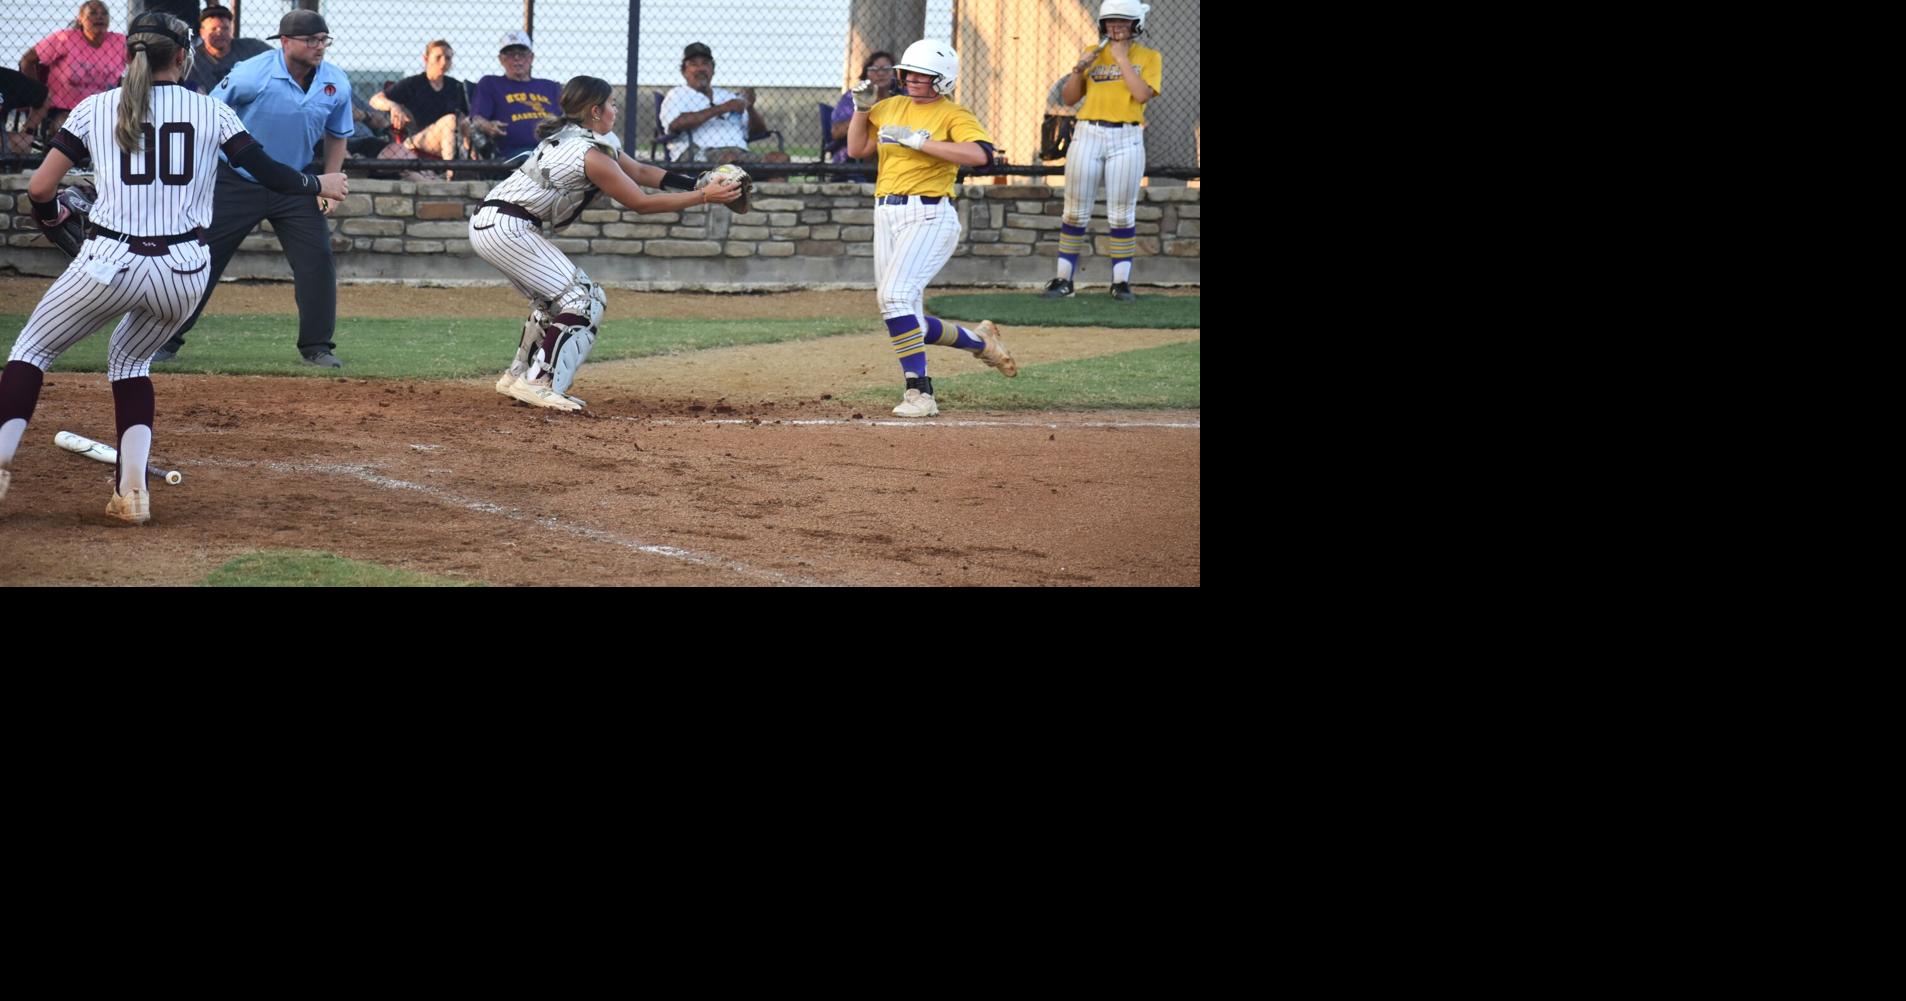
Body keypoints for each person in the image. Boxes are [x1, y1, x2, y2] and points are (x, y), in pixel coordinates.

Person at [0, 12, 346, 524]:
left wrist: (53, 222)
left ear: (130, 55)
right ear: (183, 58)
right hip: (183, 270)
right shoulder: (211, 112)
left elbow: (39, 190)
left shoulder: (96, 107)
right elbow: (269, 172)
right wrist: (320, 184)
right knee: (131, 363)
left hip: (107, 261)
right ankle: (133, 493)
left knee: (32, 350)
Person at [471, 76, 743, 412]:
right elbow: (641, 202)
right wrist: (704, 196)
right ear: (594, 110)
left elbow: (641, 171)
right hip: (508, 226)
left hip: (497, 222)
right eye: (611, 103)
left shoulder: (586, 138)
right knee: (583, 300)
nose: (615, 108)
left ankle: (518, 375)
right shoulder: (587, 153)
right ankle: (539, 381)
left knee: (554, 304)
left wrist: (698, 182)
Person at [151, 9, 355, 367]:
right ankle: (166, 341)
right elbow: (208, 113)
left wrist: (328, 185)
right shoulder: (251, 73)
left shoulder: (336, 82)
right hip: (237, 179)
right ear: (286, 42)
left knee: (317, 261)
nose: (319, 46)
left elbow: (337, 136)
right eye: (311, 40)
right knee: (201, 260)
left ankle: (317, 347)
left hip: (296, 183)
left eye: (324, 39)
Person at [846, 39, 1017, 418]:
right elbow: (857, 150)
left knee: (893, 299)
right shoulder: (889, 106)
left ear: (942, 81)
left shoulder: (953, 114)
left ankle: (920, 393)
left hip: (928, 214)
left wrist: (922, 142)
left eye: (924, 75)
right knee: (904, 313)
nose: (912, 80)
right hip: (887, 214)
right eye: (909, 73)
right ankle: (980, 341)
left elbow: (980, 155)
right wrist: (861, 110)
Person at [1043, 0, 1161, 302]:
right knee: (1074, 210)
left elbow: (1141, 94)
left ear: (1136, 24)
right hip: (1088, 132)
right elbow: (1069, 100)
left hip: (1127, 134)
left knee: (1121, 214)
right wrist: (1078, 71)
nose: (1116, 27)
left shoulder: (1149, 57)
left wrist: (1122, 60)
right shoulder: (1091, 52)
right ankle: (1063, 279)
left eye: (1122, 21)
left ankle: (1120, 283)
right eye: (1110, 22)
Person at [659, 41, 789, 164]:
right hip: (695, 153)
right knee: (730, 159)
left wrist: (750, 108)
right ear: (684, 71)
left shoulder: (727, 95)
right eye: (693, 64)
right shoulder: (677, 94)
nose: (700, 69)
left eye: (705, 63)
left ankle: (765, 187)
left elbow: (758, 132)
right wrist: (722, 108)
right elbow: (676, 124)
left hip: (739, 153)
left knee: (780, 160)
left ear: (713, 69)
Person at [17, 1, 126, 138]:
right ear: (80, 18)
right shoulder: (65, 38)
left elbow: (140, 65)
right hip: (64, 109)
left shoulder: (120, 42)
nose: (100, 17)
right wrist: (37, 93)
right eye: (93, 13)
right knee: (67, 128)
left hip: (105, 110)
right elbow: (27, 60)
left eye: (104, 13)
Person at [371, 39, 471, 164]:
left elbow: (469, 115)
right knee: (450, 121)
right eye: (438, 57)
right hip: (417, 140)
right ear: (426, 58)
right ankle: (451, 172)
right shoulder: (413, 84)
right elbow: (375, 100)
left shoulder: (456, 87)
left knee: (469, 124)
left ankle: (478, 170)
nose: (443, 62)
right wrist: (394, 106)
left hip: (452, 139)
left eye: (448, 58)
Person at [470, 31, 559, 161]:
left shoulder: (550, 87)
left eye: (522, 54)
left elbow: (566, 119)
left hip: (553, 150)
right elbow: (476, 118)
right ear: (501, 59)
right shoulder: (491, 83)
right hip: (515, 153)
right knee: (529, 158)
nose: (517, 58)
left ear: (531, 58)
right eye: (511, 54)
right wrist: (488, 126)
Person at [830, 50, 893, 172]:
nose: (880, 73)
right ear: (866, 74)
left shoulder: (902, 97)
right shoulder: (853, 96)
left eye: (886, 69)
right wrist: (863, 110)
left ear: (894, 73)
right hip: (854, 155)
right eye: (874, 69)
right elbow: (836, 132)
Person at [185, 5, 268, 94]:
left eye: (225, 28)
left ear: (231, 30)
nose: (219, 33)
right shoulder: (192, 59)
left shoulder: (252, 48)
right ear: (202, 32)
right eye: (213, 29)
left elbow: (277, 59)